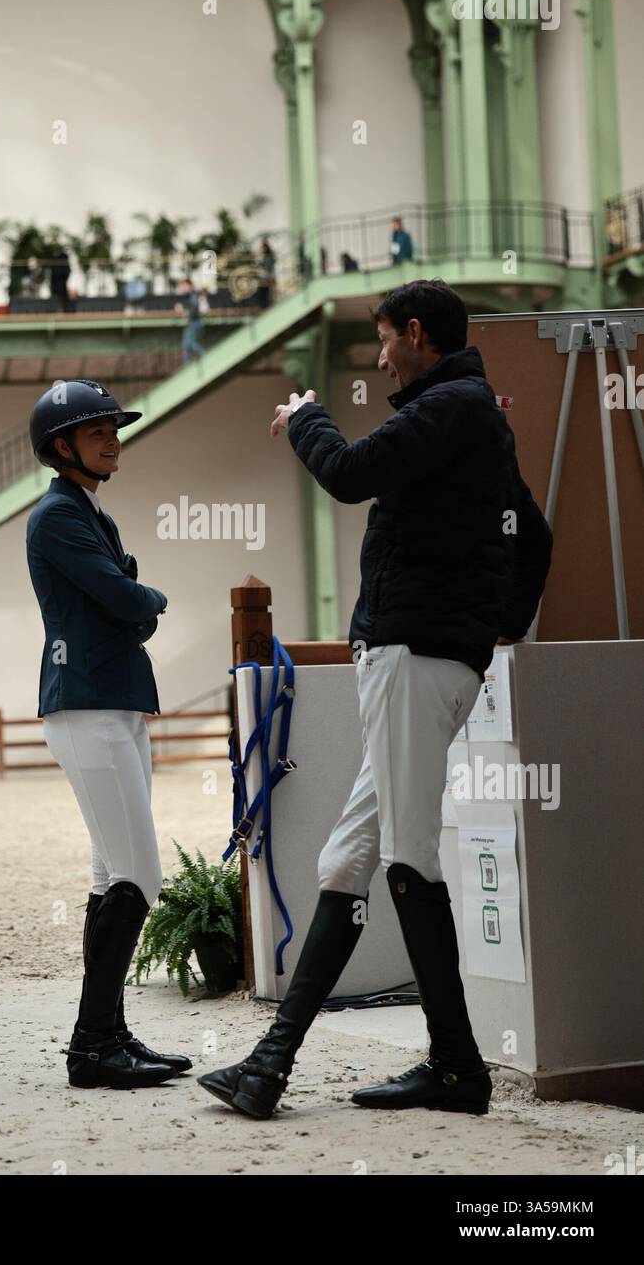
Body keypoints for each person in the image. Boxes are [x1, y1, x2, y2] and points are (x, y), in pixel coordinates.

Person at [199, 278, 552, 1120]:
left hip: (414, 655)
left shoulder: (450, 406)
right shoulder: (471, 414)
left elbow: (351, 475)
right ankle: (269, 1066)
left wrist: (304, 418)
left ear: (417, 333)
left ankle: (457, 1069)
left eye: (386, 339)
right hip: (430, 656)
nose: (383, 356)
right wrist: (491, 625)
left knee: (407, 861)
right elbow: (530, 537)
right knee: (348, 862)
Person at [26, 379, 191, 1090]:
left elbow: (125, 604)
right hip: (88, 702)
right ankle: (91, 1046)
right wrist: (146, 596)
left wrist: (134, 601)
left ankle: (109, 1033)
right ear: (61, 446)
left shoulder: (92, 513)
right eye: (97, 431)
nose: (112, 438)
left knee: (107, 874)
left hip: (116, 699)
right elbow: (128, 599)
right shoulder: (58, 517)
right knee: (140, 874)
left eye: (114, 429)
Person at [176, 278, 203, 365]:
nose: (182, 288)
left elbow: (194, 310)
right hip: (191, 322)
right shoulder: (189, 296)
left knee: (190, 344)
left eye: (183, 286)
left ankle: (207, 356)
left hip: (194, 322)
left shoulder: (193, 295)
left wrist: (185, 314)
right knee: (186, 346)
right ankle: (186, 365)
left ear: (189, 285)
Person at [47, 237, 72, 311]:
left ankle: (64, 309)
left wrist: (65, 276)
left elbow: (67, 268)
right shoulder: (50, 255)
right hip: (54, 278)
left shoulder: (63, 255)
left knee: (63, 295)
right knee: (54, 294)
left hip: (62, 279)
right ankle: (55, 310)